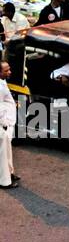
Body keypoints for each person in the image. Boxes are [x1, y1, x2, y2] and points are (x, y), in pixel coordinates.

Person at [0, 59, 17, 188]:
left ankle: (10, 173)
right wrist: (4, 124)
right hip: (3, 124)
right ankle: (4, 181)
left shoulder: (2, 82)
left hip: (7, 122)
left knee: (7, 150)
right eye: (6, 70)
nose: (10, 72)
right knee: (3, 152)